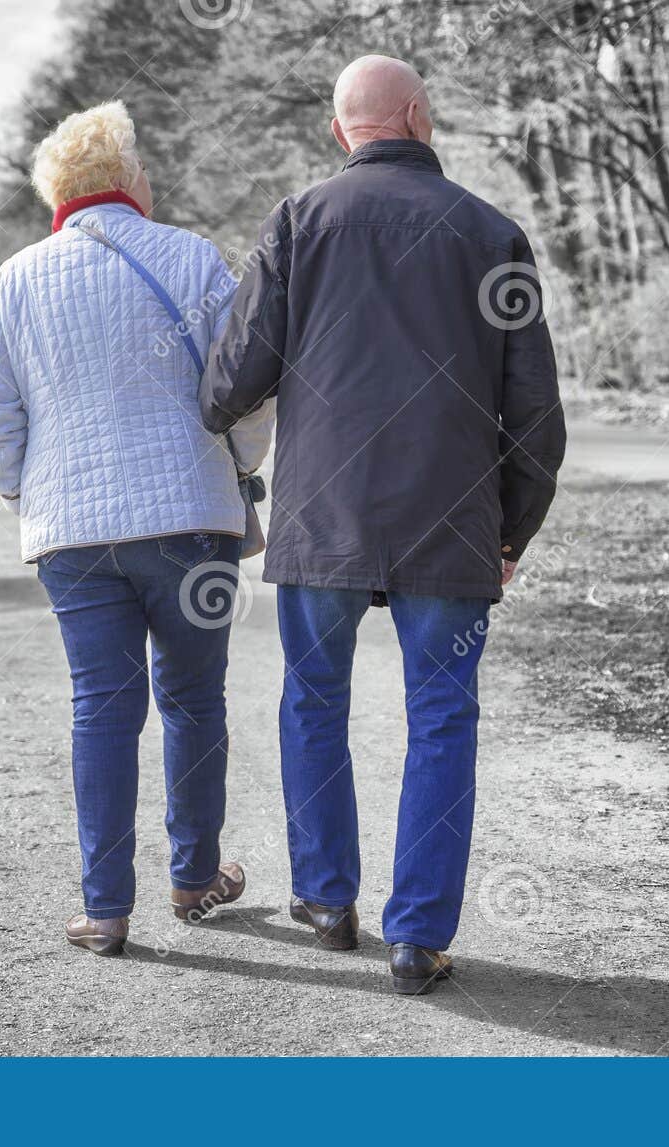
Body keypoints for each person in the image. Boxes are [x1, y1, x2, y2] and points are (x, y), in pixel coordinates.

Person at [201, 54, 566, 995]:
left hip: (323, 515)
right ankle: (417, 938)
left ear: (341, 131)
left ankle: (327, 899)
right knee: (441, 715)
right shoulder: (494, 234)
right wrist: (510, 528)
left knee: (312, 699)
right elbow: (535, 414)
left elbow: (229, 385)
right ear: (419, 118)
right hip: (452, 521)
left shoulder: (296, 223)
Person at [0, 101, 273, 958]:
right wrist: (245, 466)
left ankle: (105, 910)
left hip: (72, 535)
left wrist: (21, 493)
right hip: (191, 525)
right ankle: (194, 875)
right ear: (128, 177)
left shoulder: (18, 277)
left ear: (56, 191)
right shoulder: (191, 257)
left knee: (101, 709)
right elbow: (244, 383)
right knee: (194, 697)